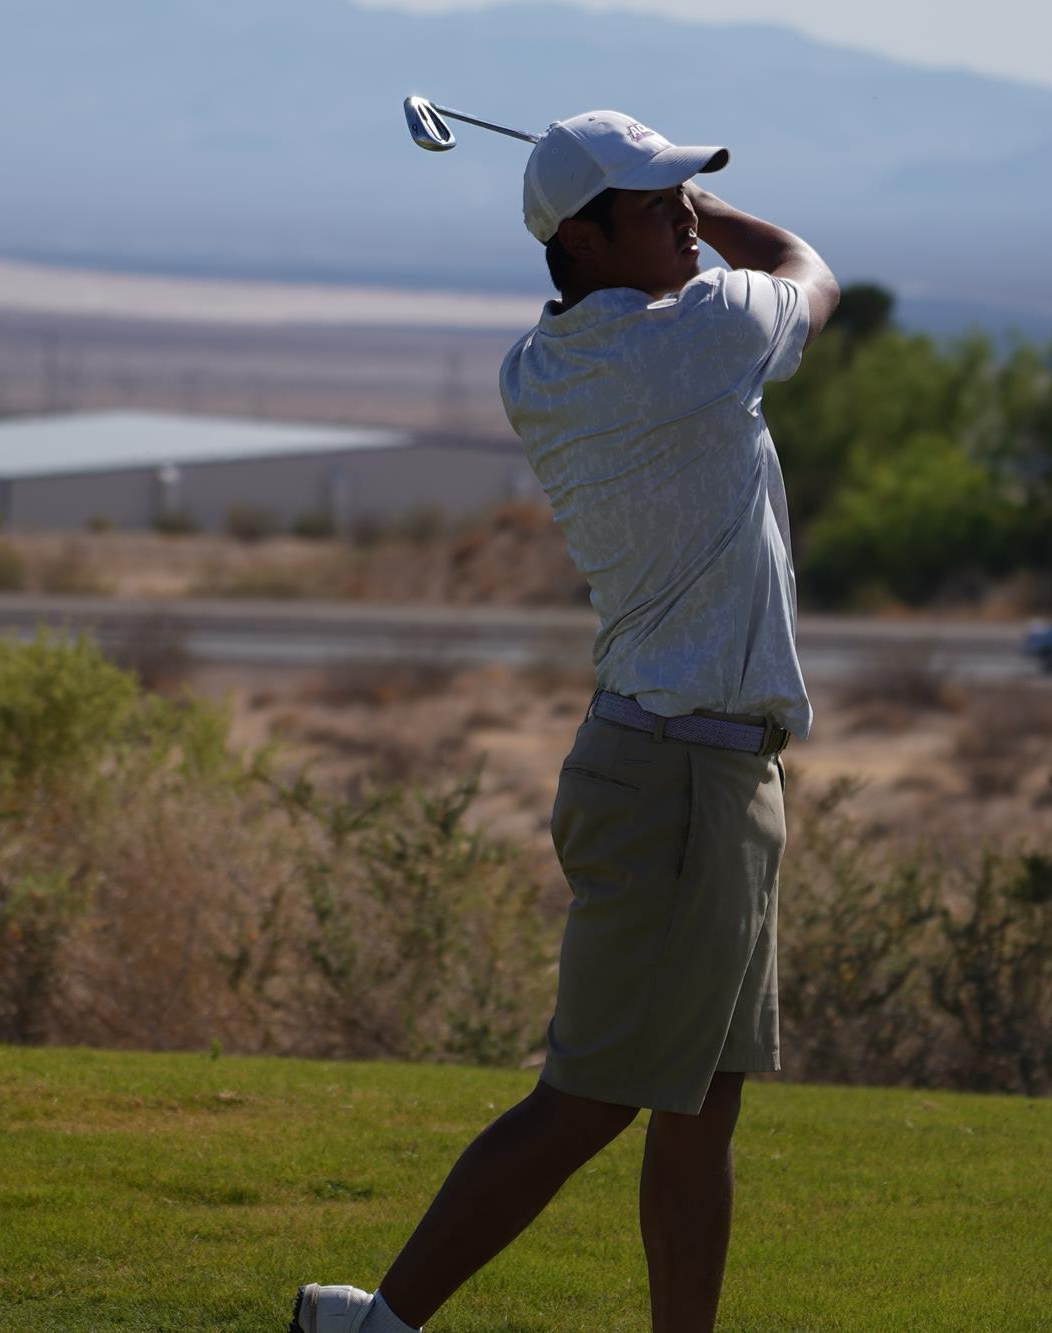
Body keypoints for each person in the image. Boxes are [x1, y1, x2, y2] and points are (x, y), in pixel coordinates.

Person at [293, 108, 838, 1333]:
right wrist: (730, 220)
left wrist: (673, 206)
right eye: (656, 207)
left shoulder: (535, 365)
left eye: (683, 197)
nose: (684, 218)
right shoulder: (692, 339)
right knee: (591, 1094)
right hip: (681, 783)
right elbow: (809, 271)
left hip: (688, 769)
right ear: (580, 243)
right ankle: (377, 1324)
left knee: (700, 1101)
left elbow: (720, 266)